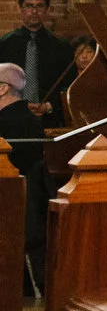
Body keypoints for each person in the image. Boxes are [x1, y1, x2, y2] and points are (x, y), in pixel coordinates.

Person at [0, 64, 50, 279]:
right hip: (27, 202)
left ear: (3, 89)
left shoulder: (5, 122)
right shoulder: (31, 120)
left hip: (9, 199)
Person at [0, 0, 75, 127]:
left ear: (47, 10)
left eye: (39, 6)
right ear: (20, 9)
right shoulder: (4, 45)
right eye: (29, 6)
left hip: (49, 120)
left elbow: (69, 85)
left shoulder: (61, 47)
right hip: (8, 119)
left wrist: (48, 106)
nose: (34, 11)